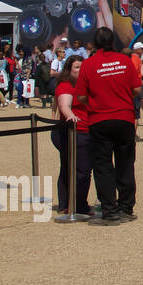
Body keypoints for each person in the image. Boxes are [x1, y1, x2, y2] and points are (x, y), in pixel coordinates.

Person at [75, 27, 141, 226]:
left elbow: (81, 96)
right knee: (126, 164)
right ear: (113, 41)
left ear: (94, 43)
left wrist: (97, 102)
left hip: (100, 119)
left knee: (103, 166)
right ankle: (126, 208)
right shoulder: (124, 61)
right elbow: (137, 88)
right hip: (125, 118)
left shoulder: (88, 64)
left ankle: (110, 211)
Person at [52, 55, 93, 218]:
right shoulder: (65, 85)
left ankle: (69, 204)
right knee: (79, 170)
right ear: (69, 70)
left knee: (74, 169)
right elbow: (64, 105)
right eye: (77, 67)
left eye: (82, 67)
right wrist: (70, 116)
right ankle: (76, 205)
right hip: (72, 131)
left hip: (85, 130)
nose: (80, 70)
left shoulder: (87, 85)